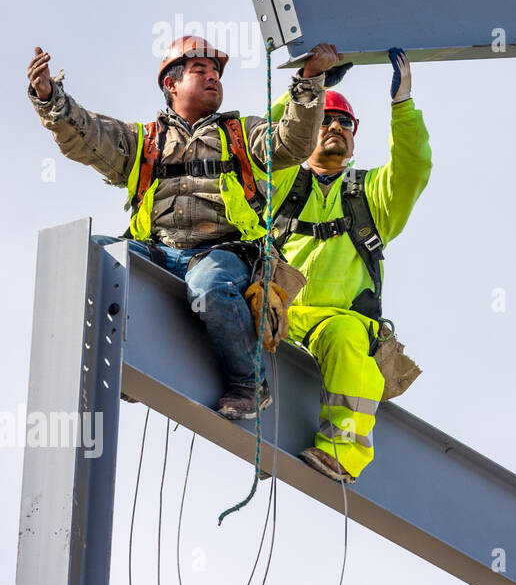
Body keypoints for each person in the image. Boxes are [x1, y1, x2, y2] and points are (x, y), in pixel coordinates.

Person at [26, 36, 342, 417]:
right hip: (159, 250)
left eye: (216, 73)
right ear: (171, 84)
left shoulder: (242, 134)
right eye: (200, 71)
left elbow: (292, 144)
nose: (213, 79)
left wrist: (310, 81)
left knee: (209, 287)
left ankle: (248, 383)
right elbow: (88, 135)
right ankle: (123, 357)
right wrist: (48, 96)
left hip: (225, 252)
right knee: (89, 252)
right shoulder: (144, 141)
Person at [268, 47, 431, 482]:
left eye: (344, 122)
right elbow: (268, 144)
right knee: (231, 307)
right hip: (283, 313)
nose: (335, 126)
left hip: (337, 324)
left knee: (345, 338)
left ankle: (343, 453)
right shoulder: (283, 184)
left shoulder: (371, 193)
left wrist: (403, 107)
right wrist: (308, 85)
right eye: (326, 119)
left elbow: (413, 169)